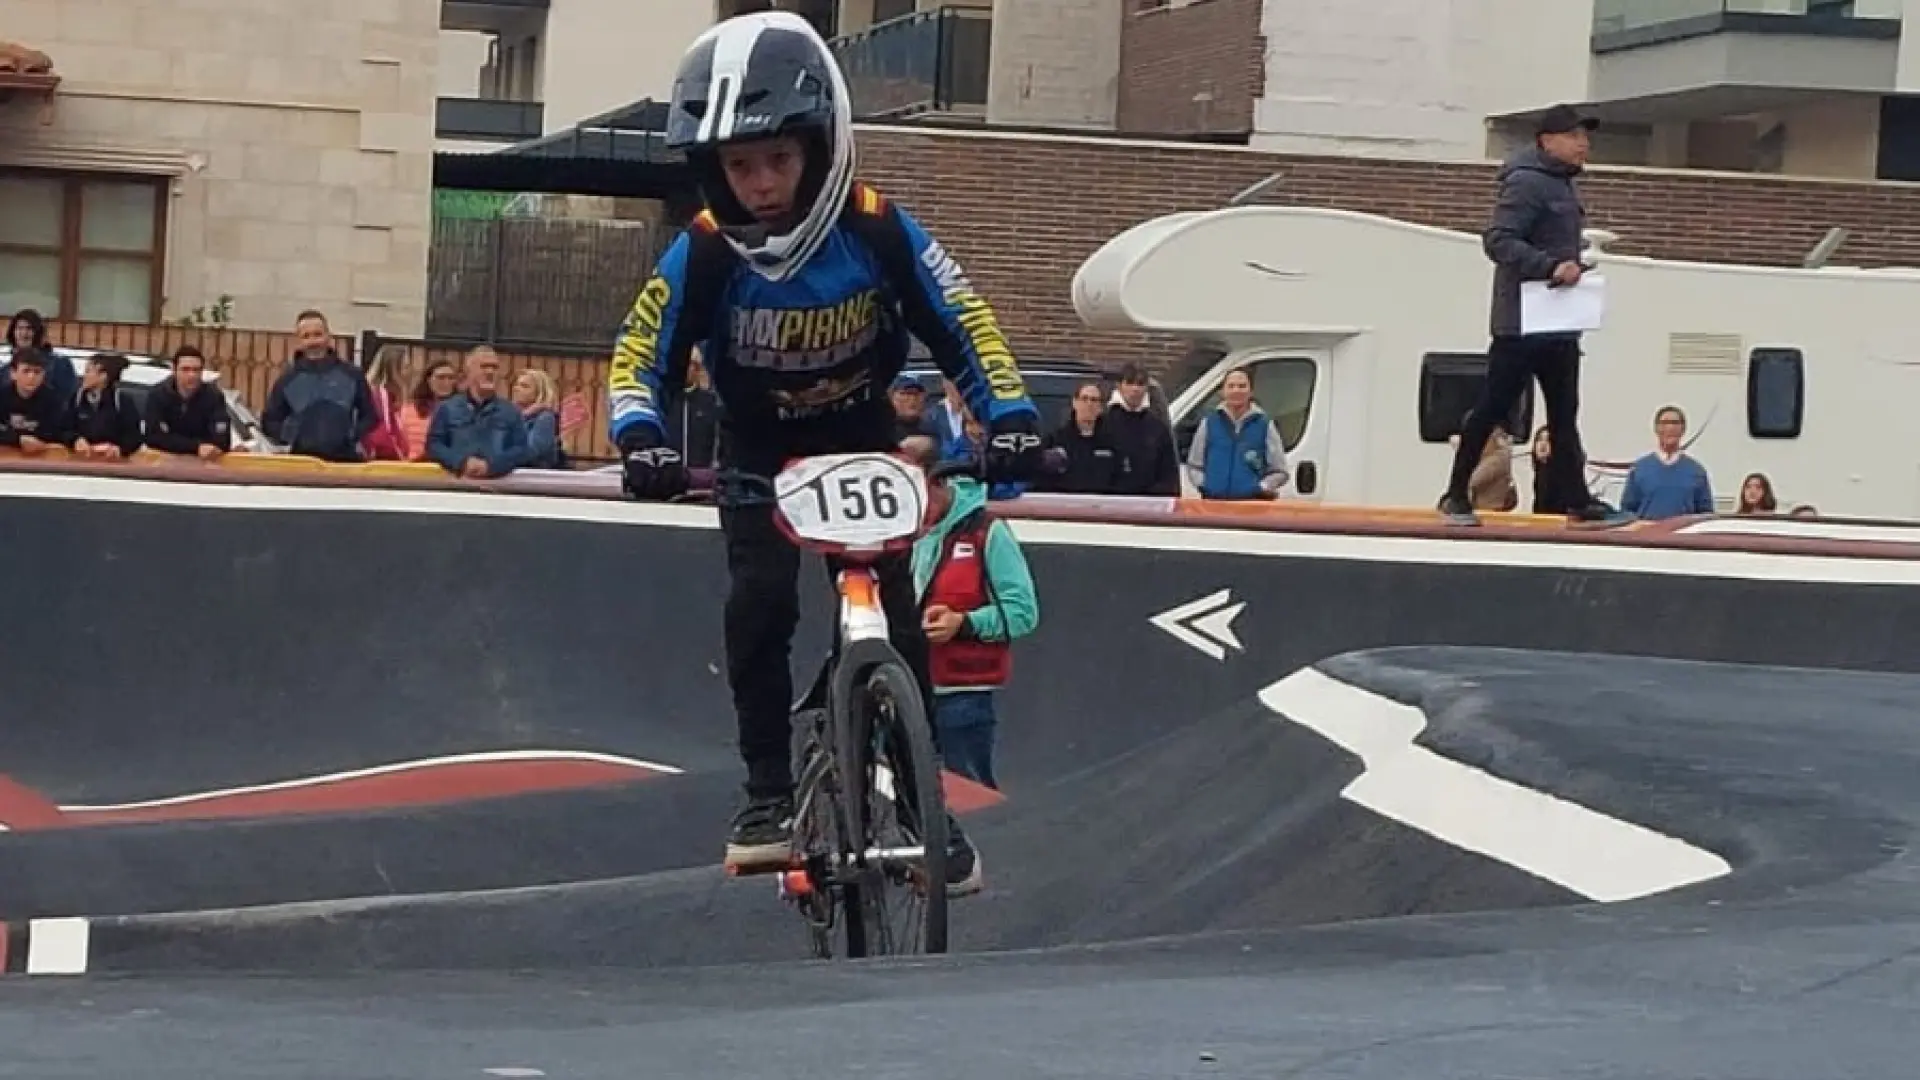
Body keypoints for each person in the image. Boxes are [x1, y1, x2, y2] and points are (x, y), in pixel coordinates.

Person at [606, 10, 1045, 892]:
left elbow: (965, 321)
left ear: (820, 147)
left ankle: (925, 805)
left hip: (859, 434)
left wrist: (1013, 414)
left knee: (898, 603)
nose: (762, 184)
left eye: (778, 160)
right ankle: (767, 793)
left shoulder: (878, 227)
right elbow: (638, 353)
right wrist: (641, 436)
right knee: (760, 601)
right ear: (712, 170)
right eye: (740, 165)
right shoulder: (701, 252)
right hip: (757, 449)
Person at [1438, 103, 1622, 527]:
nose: (1584, 144)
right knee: (1493, 407)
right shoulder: (1526, 183)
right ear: (1547, 141)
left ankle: (1577, 500)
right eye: (1576, 136)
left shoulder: (1564, 185)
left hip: (1558, 322)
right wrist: (1550, 266)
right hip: (1522, 323)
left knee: (1563, 415)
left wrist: (1573, 268)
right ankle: (1455, 494)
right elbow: (1498, 240)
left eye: (1584, 137)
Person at [908, 436, 1039, 800]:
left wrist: (962, 623)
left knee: (970, 804)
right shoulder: (902, 533)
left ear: (937, 481)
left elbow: (1024, 613)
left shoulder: (987, 532)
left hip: (962, 696)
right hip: (905, 694)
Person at [144, 345, 232, 459]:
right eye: (185, 369)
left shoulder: (213, 396)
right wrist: (196, 447)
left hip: (205, 467)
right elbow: (154, 438)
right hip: (165, 466)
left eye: (196, 370)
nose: (192, 375)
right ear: (174, 370)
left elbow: (221, 440)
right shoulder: (158, 395)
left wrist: (176, 442)